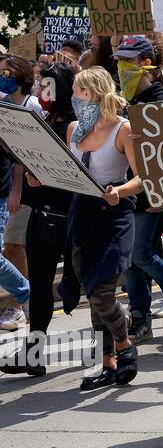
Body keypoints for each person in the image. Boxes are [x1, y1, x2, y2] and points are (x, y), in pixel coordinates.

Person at [60, 67, 142, 390]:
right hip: (83, 216)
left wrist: (118, 191)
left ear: (94, 93)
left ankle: (124, 344)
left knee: (102, 291)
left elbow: (142, 178)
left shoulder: (123, 130)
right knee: (91, 289)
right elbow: (66, 171)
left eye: (79, 91)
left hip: (115, 215)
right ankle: (107, 362)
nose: (74, 97)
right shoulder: (73, 130)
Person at [113, 36, 163, 343]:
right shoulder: (130, 102)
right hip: (131, 189)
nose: (122, 67)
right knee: (132, 259)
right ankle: (140, 318)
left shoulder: (160, 102)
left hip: (152, 194)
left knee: (139, 253)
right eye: (119, 60)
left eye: (128, 60)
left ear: (146, 63)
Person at [1, 63, 77, 376]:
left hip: (70, 215)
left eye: (48, 85)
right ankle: (34, 353)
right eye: (40, 84)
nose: (42, 91)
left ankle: (115, 348)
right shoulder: (42, 119)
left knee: (88, 284)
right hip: (42, 215)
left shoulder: (74, 123)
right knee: (42, 286)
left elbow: (77, 171)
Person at [2, 54, 45, 286]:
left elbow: (26, 151)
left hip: (26, 186)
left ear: (19, 74)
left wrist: (16, 189)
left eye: (4, 72)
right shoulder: (5, 102)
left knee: (13, 244)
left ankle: (21, 302)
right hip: (12, 185)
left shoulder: (33, 106)